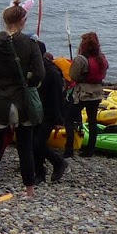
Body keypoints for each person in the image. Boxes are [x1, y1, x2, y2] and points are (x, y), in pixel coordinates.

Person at [0, 4, 44, 199]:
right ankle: (29, 190)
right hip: (22, 99)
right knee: (25, 148)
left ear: (5, 20)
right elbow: (40, 73)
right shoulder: (31, 44)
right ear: (22, 21)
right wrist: (27, 83)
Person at [67, 32, 109, 157]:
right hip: (97, 93)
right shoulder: (101, 58)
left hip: (83, 93)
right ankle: (90, 150)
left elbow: (73, 76)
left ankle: (69, 149)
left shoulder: (81, 58)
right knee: (92, 121)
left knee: (68, 119)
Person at [33, 43, 68, 183]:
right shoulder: (33, 69)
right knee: (33, 143)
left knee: (37, 143)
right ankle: (39, 173)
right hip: (35, 111)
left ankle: (58, 162)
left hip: (48, 113)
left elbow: (57, 97)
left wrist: (59, 119)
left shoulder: (52, 73)